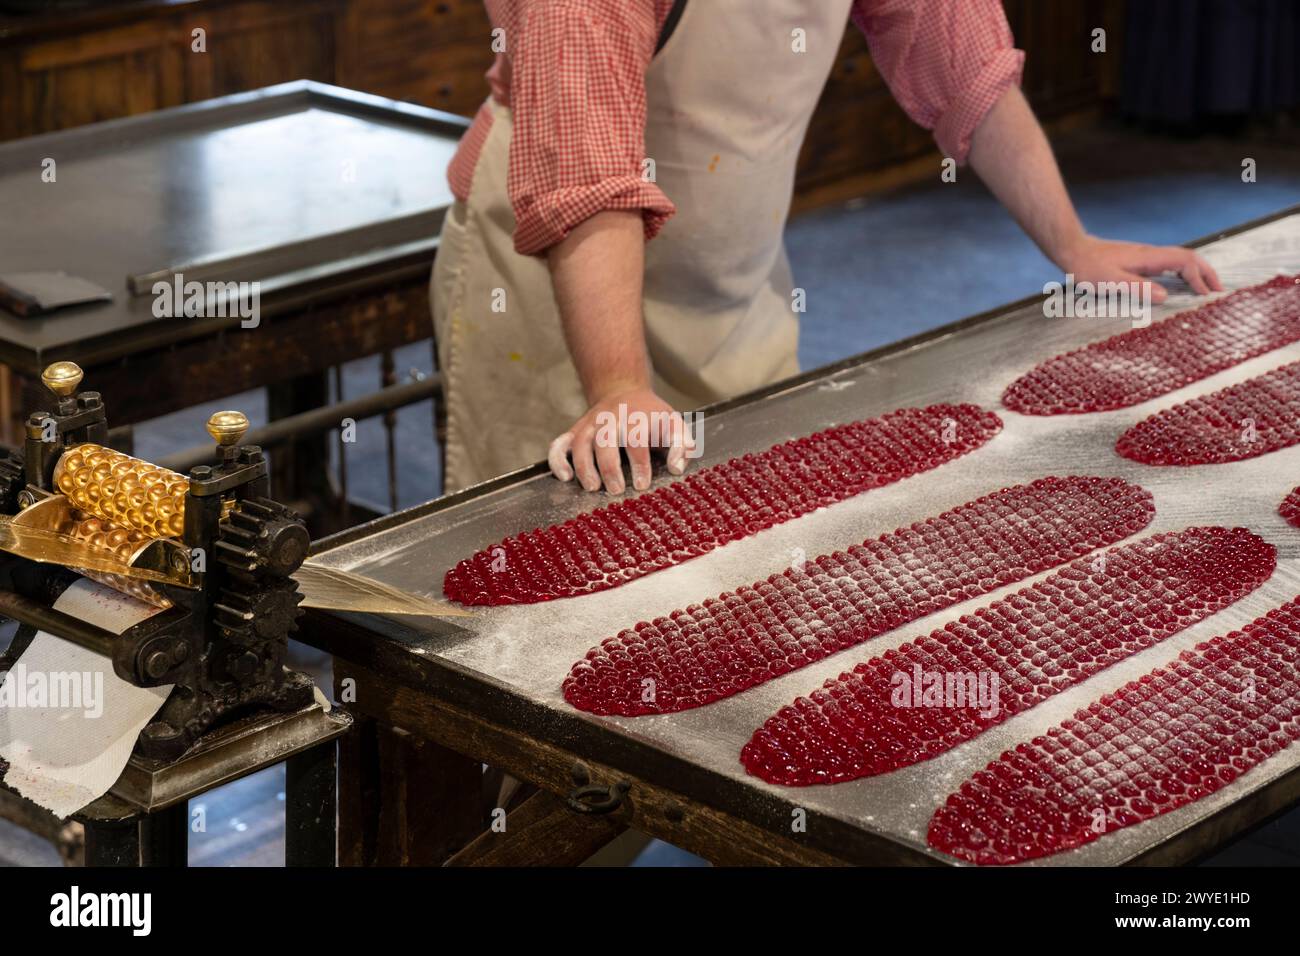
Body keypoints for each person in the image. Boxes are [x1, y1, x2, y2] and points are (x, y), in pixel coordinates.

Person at [432, 0, 1221, 496]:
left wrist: (1073, 243)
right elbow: (587, 167)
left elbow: (966, 68)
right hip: (560, 289)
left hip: (731, 286)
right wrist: (615, 386)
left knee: (736, 563)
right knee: (561, 590)